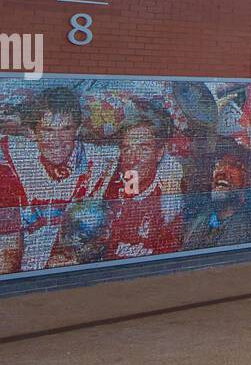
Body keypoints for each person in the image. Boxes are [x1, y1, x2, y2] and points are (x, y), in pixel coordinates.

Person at [0, 85, 116, 273]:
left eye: (66, 129)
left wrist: (79, 257)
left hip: (60, 266)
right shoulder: (14, 154)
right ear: (32, 133)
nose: (57, 140)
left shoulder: (101, 160)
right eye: (48, 130)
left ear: (77, 130)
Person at [103, 108, 184, 260]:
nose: (133, 159)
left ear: (159, 153)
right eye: (127, 149)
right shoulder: (109, 190)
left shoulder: (168, 201)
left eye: (143, 149)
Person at [183, 154, 251, 250]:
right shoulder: (201, 218)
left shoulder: (243, 229)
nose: (221, 171)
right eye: (217, 165)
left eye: (232, 165)